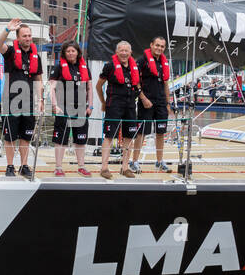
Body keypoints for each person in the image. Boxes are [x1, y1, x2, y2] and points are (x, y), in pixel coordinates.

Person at [0, 18, 43, 179]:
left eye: (29, 35)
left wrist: (41, 100)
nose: (28, 38)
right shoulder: (10, 53)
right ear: (18, 37)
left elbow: (38, 80)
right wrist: (7, 29)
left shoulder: (36, 56)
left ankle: (24, 166)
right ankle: (10, 166)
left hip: (29, 101)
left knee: (26, 136)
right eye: (24, 36)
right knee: (10, 137)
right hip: (11, 100)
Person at [95, 40, 140, 179]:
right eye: (121, 50)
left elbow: (137, 84)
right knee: (109, 136)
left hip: (130, 105)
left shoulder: (134, 67)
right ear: (117, 52)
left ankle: (125, 168)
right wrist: (103, 102)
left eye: (127, 50)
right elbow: (98, 86)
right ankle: (104, 168)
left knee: (129, 137)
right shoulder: (109, 66)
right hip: (114, 105)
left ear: (130, 52)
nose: (124, 53)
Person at [49, 40, 92, 177]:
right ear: (64, 53)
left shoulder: (84, 68)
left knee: (81, 138)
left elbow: (89, 88)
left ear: (78, 52)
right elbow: (52, 88)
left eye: (73, 51)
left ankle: (81, 166)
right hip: (63, 107)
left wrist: (90, 105)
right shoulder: (58, 67)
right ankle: (58, 168)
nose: (70, 53)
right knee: (61, 139)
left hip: (80, 108)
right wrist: (55, 105)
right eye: (68, 51)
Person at [133, 36, 172, 174]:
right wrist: (143, 98)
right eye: (157, 45)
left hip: (161, 103)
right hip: (146, 102)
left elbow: (166, 84)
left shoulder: (163, 62)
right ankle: (134, 161)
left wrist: (168, 103)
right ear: (151, 44)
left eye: (162, 46)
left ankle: (160, 161)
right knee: (141, 132)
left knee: (161, 133)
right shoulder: (142, 61)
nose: (159, 48)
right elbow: (135, 81)